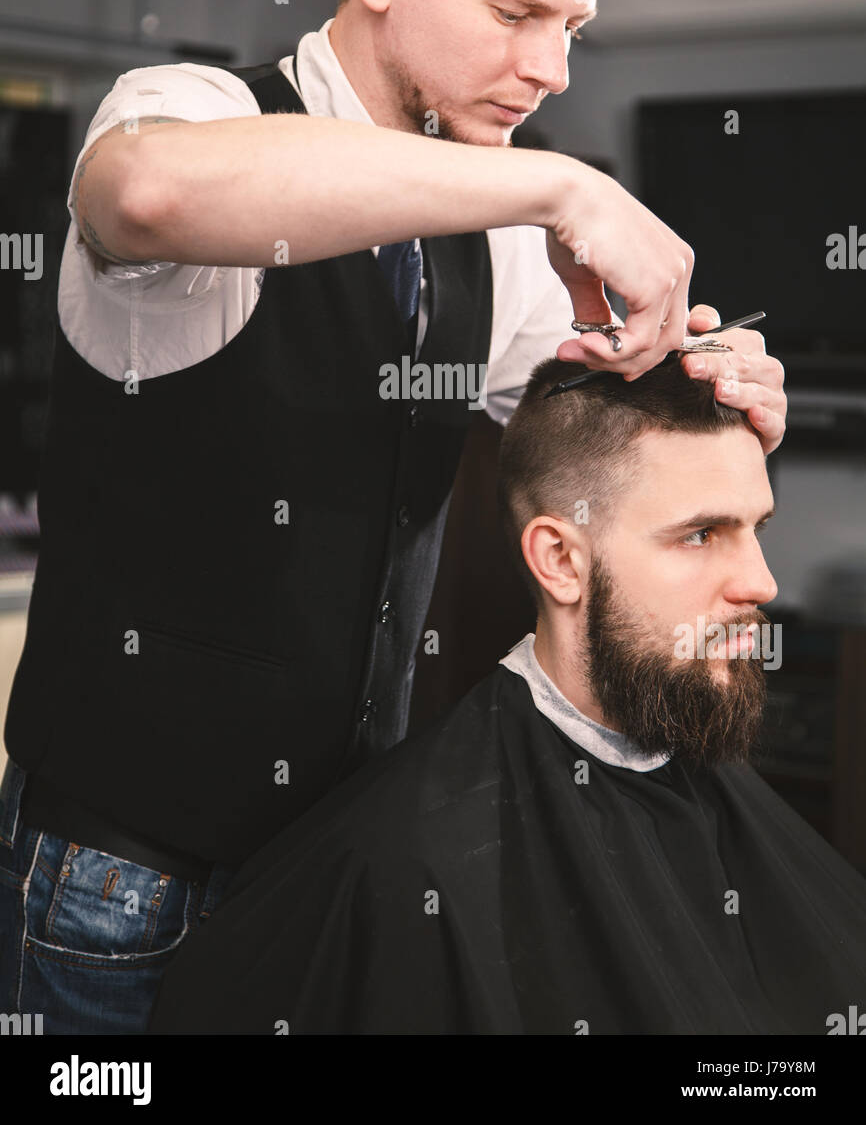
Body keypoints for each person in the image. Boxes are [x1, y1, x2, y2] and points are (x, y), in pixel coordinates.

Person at [0, 0, 787, 1034]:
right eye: (516, 11)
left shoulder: (495, 222)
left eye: (571, 25)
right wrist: (556, 189)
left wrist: (719, 387)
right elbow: (143, 195)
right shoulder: (191, 112)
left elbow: (590, 428)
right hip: (124, 881)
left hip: (339, 860)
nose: (549, 65)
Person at [148, 355, 864, 1036]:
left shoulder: (713, 781)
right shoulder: (401, 867)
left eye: (755, 528)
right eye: (701, 534)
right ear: (560, 561)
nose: (761, 583)